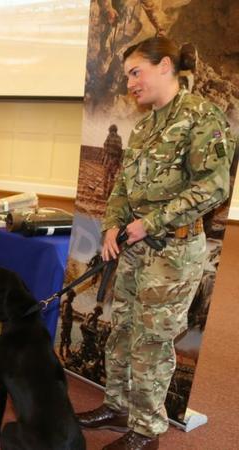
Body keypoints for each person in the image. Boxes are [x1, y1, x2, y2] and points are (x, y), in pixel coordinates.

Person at [76, 37, 235, 450]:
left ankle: (147, 433)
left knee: (151, 343)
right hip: (134, 249)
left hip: (174, 253)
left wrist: (152, 222)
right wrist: (112, 226)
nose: (130, 82)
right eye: (128, 75)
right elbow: (123, 186)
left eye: (135, 72)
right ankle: (117, 406)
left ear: (164, 66)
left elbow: (214, 188)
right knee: (122, 331)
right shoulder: (146, 125)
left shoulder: (203, 117)